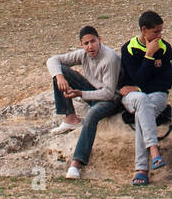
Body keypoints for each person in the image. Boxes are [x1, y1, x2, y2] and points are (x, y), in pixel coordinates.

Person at [47, 26, 121, 180]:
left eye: (93, 41)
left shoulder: (110, 58)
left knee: (91, 115)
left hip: (111, 99)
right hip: (93, 91)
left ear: (99, 40)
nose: (90, 46)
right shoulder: (83, 54)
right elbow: (52, 60)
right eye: (86, 43)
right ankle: (70, 119)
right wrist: (59, 76)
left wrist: (81, 94)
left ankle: (76, 165)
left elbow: (108, 93)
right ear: (81, 45)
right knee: (59, 71)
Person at [119, 11, 172, 187]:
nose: (159, 36)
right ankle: (154, 151)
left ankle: (141, 169)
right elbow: (135, 79)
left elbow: (166, 82)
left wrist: (139, 87)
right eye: (156, 32)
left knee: (142, 110)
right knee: (141, 100)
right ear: (144, 30)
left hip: (157, 95)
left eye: (160, 31)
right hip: (132, 97)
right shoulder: (129, 48)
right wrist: (149, 56)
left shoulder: (165, 48)